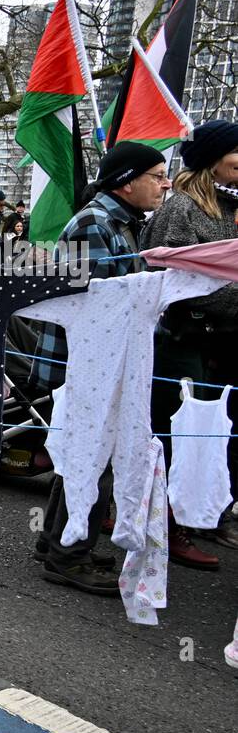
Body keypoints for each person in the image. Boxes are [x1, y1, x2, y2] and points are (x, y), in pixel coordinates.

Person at [33, 141, 172, 594]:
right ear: (126, 180)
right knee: (93, 449)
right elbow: (99, 306)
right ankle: (66, 556)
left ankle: (61, 539)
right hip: (93, 359)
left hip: (105, 358)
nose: (164, 184)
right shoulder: (96, 223)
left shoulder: (120, 222)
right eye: (156, 175)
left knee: (84, 447)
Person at [142, 119, 238, 556]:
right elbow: (170, 279)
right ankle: (166, 524)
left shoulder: (230, 205)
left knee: (213, 433)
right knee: (174, 433)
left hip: (221, 340)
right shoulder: (180, 208)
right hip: (182, 339)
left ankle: (203, 512)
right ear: (213, 159)